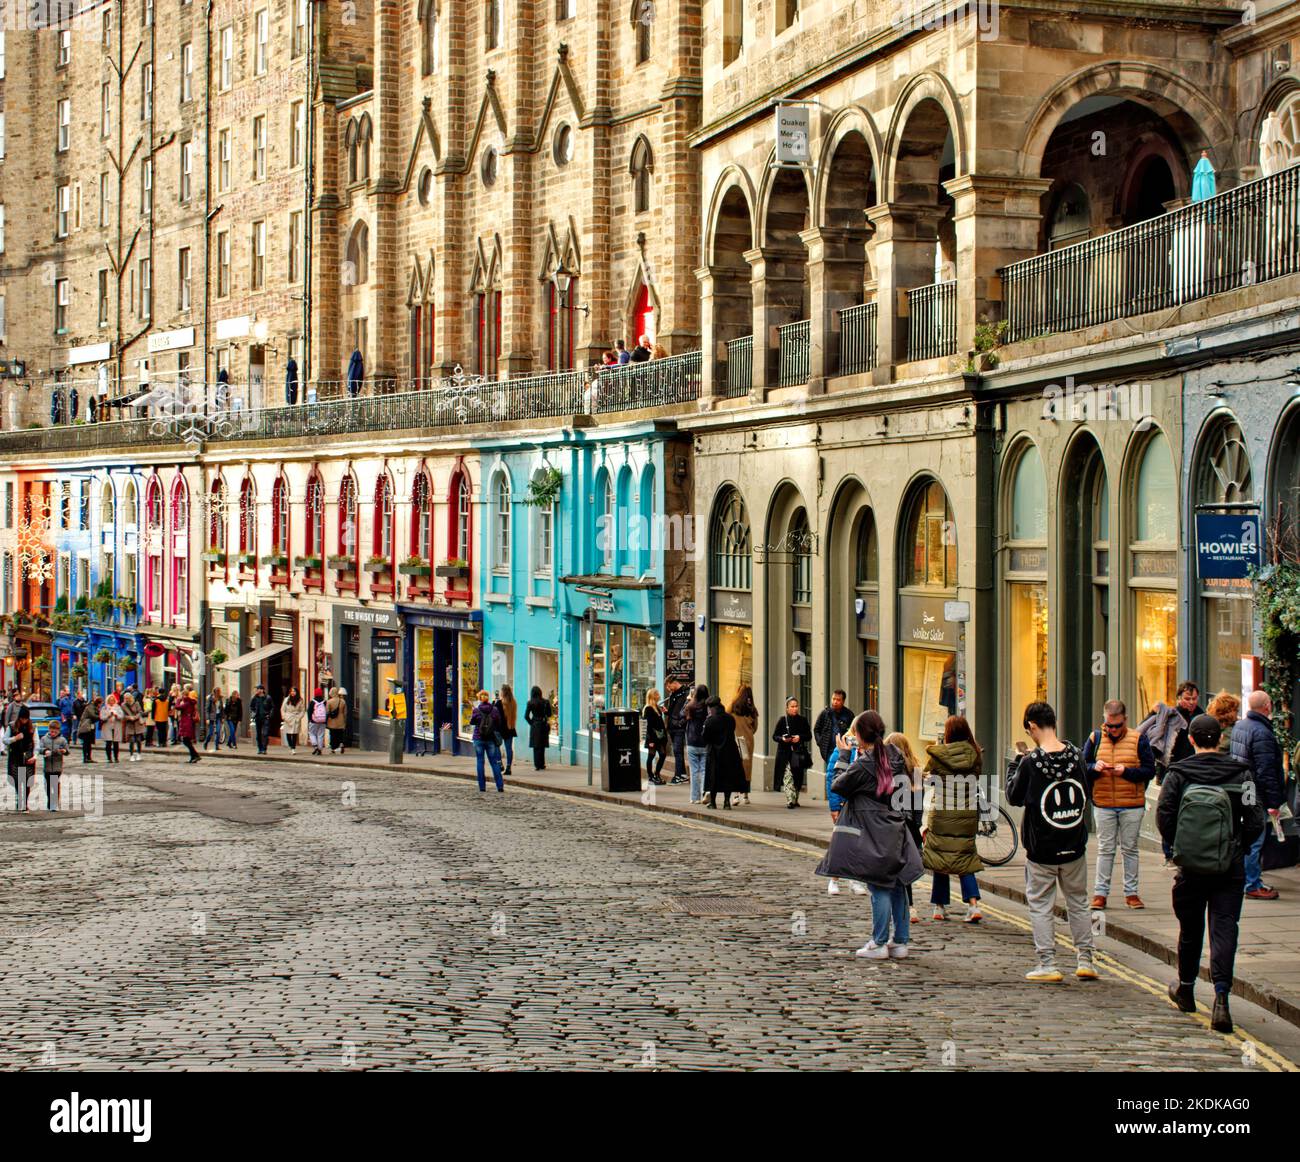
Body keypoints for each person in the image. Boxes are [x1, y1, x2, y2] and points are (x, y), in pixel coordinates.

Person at [1159, 714, 1264, 1034]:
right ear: (1220, 739)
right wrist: (1238, 849)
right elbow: (1255, 819)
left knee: (1190, 930)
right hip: (1228, 868)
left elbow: (1164, 815)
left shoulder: (1178, 773)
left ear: (1191, 739)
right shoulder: (1241, 773)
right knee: (1224, 929)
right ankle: (1221, 999)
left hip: (1190, 867)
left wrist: (1179, 847)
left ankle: (1187, 990)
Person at [1007, 701, 1096, 983]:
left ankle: (1047, 963)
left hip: (1042, 847)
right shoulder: (1077, 756)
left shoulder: (1031, 763)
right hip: (1073, 843)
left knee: (1041, 905)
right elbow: (1086, 792)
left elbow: (1014, 796)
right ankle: (1085, 960)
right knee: (1079, 902)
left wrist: (1015, 763)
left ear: (1032, 726)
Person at [819, 710, 918, 958]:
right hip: (896, 828)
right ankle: (900, 942)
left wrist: (843, 755)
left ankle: (879, 942)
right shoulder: (894, 756)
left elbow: (838, 784)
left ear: (862, 735)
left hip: (873, 830)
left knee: (878, 886)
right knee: (897, 884)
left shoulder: (865, 763)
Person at [1081, 698, 1156, 910]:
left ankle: (1131, 893)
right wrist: (1095, 767)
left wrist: (1127, 772)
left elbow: (1150, 770)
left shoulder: (1139, 739)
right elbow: (1082, 766)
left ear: (1125, 720)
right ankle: (1100, 894)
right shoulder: (1095, 738)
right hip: (1103, 803)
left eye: (1117, 726)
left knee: (1130, 849)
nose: (1113, 730)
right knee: (1105, 849)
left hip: (1131, 803)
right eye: (1109, 725)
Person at [923, 716, 985, 923]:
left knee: (940, 857)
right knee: (964, 857)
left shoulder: (938, 755)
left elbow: (926, 775)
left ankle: (939, 908)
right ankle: (973, 905)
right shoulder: (975, 754)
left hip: (942, 814)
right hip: (966, 815)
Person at [1231, 689, 1285, 901]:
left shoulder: (1240, 726)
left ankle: (1249, 880)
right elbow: (1266, 770)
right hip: (1256, 793)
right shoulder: (1262, 732)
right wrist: (1274, 802)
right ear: (1267, 707)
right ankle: (1252, 884)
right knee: (1255, 838)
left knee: (1246, 835)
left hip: (1244, 789)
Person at [885, 731, 926, 924]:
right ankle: (910, 908)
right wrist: (916, 825)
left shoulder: (886, 770)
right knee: (905, 867)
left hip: (890, 825)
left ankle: (899, 908)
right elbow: (918, 804)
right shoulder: (915, 772)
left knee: (890, 869)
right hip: (909, 825)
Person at [824, 730, 868, 896]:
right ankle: (834, 879)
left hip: (861, 804)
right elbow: (832, 778)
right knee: (841, 843)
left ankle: (854, 880)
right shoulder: (841, 750)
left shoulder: (868, 751)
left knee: (859, 843)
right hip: (844, 803)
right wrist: (834, 806)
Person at [1139, 680, 1202, 778]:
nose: (1191, 702)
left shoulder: (1202, 717)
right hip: (1171, 767)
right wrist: (1153, 713)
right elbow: (1143, 729)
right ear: (1178, 699)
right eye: (1187, 699)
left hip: (1193, 766)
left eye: (1194, 699)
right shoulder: (1170, 715)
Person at [701, 696, 745, 809]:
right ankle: (726, 802)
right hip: (730, 751)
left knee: (713, 778)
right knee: (727, 777)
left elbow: (705, 737)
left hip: (714, 752)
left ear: (711, 708)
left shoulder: (710, 720)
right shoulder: (730, 718)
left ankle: (713, 803)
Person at [772, 696, 813, 809]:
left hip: (797, 753)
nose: (795, 709)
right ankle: (790, 800)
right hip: (784, 753)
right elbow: (774, 736)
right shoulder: (782, 720)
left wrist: (799, 737)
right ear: (787, 708)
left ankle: (795, 798)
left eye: (796, 706)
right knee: (787, 776)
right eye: (792, 706)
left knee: (798, 776)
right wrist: (783, 739)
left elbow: (809, 736)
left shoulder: (803, 720)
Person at [469, 690, 505, 792]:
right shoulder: (494, 710)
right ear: (488, 698)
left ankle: (482, 787)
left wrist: (474, 713)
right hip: (490, 739)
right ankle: (500, 786)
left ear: (480, 698)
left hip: (478, 738)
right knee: (494, 762)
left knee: (480, 762)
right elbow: (498, 722)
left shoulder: (476, 710)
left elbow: (472, 722)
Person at [729, 686, 758, 806]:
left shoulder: (733, 707)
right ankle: (745, 795)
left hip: (735, 740)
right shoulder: (752, 710)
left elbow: (727, 719)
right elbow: (755, 727)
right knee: (747, 768)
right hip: (748, 741)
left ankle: (735, 795)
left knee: (735, 766)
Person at [683, 685, 711, 805]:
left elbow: (681, 716)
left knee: (694, 771)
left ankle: (695, 798)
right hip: (704, 741)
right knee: (705, 769)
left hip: (692, 741)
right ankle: (705, 792)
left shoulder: (690, 706)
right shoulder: (708, 707)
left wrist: (688, 699)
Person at [813, 689, 854, 766]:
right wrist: (820, 742)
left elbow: (853, 732)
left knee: (841, 771)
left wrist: (848, 746)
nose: (835, 702)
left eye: (838, 700)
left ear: (843, 701)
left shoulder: (849, 715)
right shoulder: (825, 713)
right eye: (833, 699)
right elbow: (816, 729)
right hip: (829, 750)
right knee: (832, 770)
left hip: (843, 750)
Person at [7, 705, 36, 810]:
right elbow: (4, 740)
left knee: (27, 781)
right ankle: (19, 800)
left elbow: (36, 743)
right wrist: (15, 738)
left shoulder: (32, 727)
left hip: (28, 757)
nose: (24, 721)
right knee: (17, 780)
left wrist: (35, 756)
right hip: (15, 757)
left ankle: (25, 803)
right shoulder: (12, 726)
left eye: (26, 718)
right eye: (22, 718)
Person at [664, 679, 689, 786]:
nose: (669, 689)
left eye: (670, 686)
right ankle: (682, 775)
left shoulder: (686, 694)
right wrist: (667, 712)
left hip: (679, 727)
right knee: (677, 752)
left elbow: (686, 712)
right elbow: (673, 711)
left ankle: (678, 776)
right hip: (673, 726)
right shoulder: (673, 695)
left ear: (675, 682)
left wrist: (680, 723)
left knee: (677, 751)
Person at [39, 719, 68, 810]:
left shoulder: (62, 740)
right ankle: (49, 800)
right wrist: (44, 751)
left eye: (55, 732)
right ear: (49, 730)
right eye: (51, 731)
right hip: (47, 766)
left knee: (55, 784)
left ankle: (54, 803)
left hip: (57, 766)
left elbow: (67, 750)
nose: (53, 733)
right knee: (48, 785)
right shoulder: (44, 739)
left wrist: (64, 751)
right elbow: (39, 749)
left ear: (59, 731)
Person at [642, 688, 668, 786]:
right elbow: (650, 726)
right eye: (657, 694)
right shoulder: (648, 708)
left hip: (660, 737)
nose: (659, 695)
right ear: (653, 696)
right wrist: (651, 740)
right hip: (653, 737)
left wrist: (665, 712)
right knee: (651, 755)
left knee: (663, 754)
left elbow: (659, 722)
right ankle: (650, 776)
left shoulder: (657, 707)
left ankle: (656, 774)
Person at [524, 685, 552, 770]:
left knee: (536, 746)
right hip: (543, 724)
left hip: (535, 724)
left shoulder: (530, 702)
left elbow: (526, 716)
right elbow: (549, 714)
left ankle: (537, 765)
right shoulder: (546, 702)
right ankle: (542, 764)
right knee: (542, 745)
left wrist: (531, 723)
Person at [495, 685, 518, 777]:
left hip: (499, 729)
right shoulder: (513, 703)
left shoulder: (499, 703)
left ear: (502, 692)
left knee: (496, 746)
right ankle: (508, 767)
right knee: (509, 748)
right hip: (510, 728)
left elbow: (495, 716)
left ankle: (500, 764)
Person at [99, 692, 124, 764]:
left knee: (116, 743)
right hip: (108, 726)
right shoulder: (104, 708)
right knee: (108, 743)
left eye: (113, 700)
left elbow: (121, 716)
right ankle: (109, 758)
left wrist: (116, 716)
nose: (111, 701)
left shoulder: (118, 707)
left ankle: (116, 757)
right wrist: (108, 715)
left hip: (116, 726)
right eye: (110, 700)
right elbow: (102, 717)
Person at [177, 686, 200, 763]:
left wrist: (178, 700)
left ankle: (196, 755)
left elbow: (178, 707)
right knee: (187, 741)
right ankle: (193, 757)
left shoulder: (186, 702)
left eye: (182, 695)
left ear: (184, 695)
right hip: (188, 722)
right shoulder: (190, 702)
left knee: (186, 741)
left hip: (186, 723)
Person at [250, 684, 274, 754]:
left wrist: (269, 715)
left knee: (265, 734)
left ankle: (264, 749)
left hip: (265, 717)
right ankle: (260, 748)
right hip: (258, 718)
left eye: (259, 689)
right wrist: (253, 714)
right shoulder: (254, 698)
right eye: (257, 689)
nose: (258, 691)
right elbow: (251, 707)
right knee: (258, 734)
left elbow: (272, 707)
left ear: (262, 690)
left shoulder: (268, 698)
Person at [280, 687, 305, 755]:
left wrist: (299, 717)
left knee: (294, 734)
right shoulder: (286, 699)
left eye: (294, 691)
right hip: (288, 718)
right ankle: (291, 746)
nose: (293, 692)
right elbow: (282, 709)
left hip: (295, 718)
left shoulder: (300, 700)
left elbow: (302, 710)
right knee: (288, 733)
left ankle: (293, 748)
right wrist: (284, 717)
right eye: (291, 691)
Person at [122, 691, 145, 762]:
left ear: (131, 698)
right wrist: (129, 717)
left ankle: (139, 754)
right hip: (130, 724)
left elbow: (140, 712)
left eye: (128, 698)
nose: (127, 699)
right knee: (131, 741)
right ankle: (131, 755)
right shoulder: (123, 705)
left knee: (138, 740)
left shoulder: (136, 703)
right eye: (125, 698)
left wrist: (135, 717)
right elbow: (123, 716)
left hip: (138, 723)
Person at [77, 696, 101, 763]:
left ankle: (89, 757)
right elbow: (93, 715)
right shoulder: (90, 707)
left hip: (91, 726)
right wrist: (100, 716)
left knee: (89, 742)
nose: (100, 705)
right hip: (86, 726)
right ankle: (85, 758)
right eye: (100, 703)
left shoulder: (94, 707)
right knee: (86, 742)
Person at [326, 686, 349, 753]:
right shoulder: (342, 701)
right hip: (341, 720)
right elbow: (345, 713)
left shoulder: (329, 702)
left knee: (333, 734)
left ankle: (333, 748)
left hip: (332, 721)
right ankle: (341, 744)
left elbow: (327, 712)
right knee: (340, 734)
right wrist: (344, 720)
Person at [307, 687, 329, 755]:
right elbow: (327, 711)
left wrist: (310, 719)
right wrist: (326, 720)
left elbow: (309, 711)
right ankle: (319, 749)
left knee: (312, 733)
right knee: (320, 735)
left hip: (314, 721)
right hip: (323, 721)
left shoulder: (312, 702)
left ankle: (315, 746)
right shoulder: (325, 702)